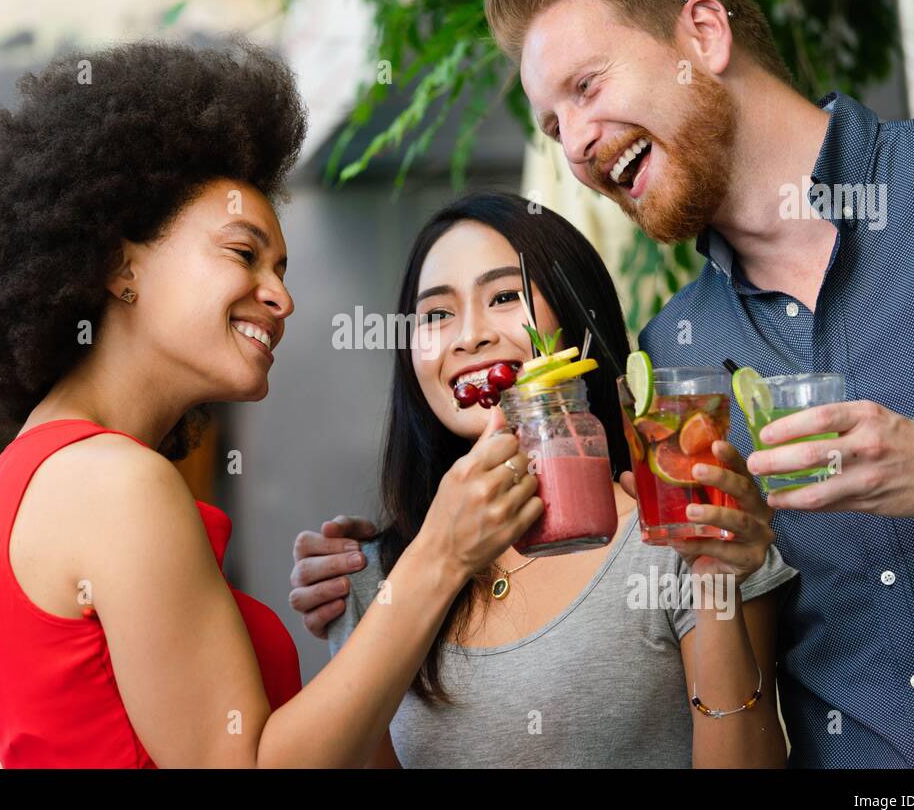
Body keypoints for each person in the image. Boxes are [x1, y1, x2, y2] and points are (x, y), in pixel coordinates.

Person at [482, 0, 914, 766]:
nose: (579, 150)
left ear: (703, 35)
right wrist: (383, 554)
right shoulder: (670, 360)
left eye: (586, 87)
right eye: (555, 129)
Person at [0, 39, 542, 767]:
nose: (281, 296)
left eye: (282, 267)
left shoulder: (27, 481)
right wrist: (439, 556)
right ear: (120, 264)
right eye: (243, 252)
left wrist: (367, 608)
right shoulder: (114, 484)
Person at [291, 192, 796, 767]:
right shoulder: (366, 579)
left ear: (579, 327)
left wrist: (715, 588)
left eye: (505, 296)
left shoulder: (680, 533)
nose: (468, 336)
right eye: (436, 314)